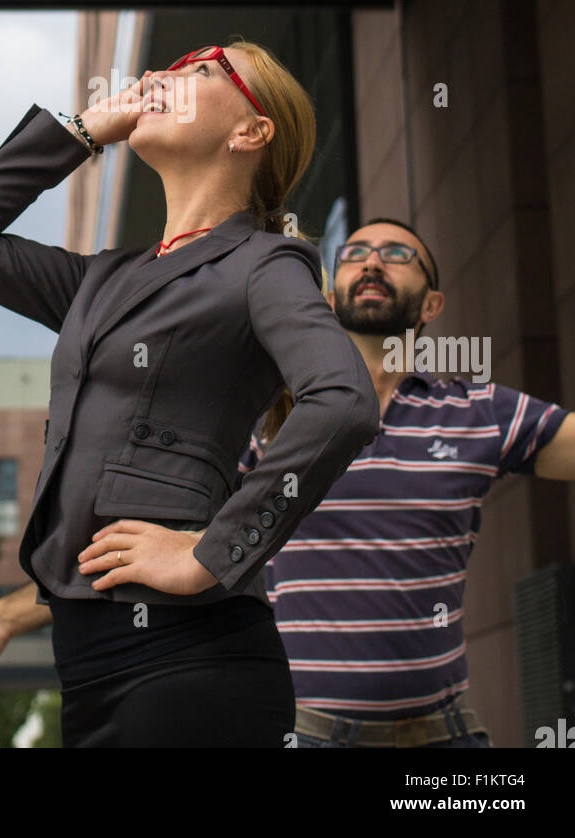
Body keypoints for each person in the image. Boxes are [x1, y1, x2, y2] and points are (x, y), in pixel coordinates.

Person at [0, 40, 379, 748]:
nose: (161, 76)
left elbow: (343, 400)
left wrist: (208, 553)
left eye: (200, 71)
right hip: (91, 670)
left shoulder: (264, 262)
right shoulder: (100, 281)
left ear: (250, 132)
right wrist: (81, 132)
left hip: (190, 660)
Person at [242, 217, 574, 749]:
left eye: (397, 253)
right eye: (354, 253)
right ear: (329, 298)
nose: (373, 261)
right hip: (302, 733)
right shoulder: (272, 417)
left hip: (443, 740)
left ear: (431, 307)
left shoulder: (479, 411)